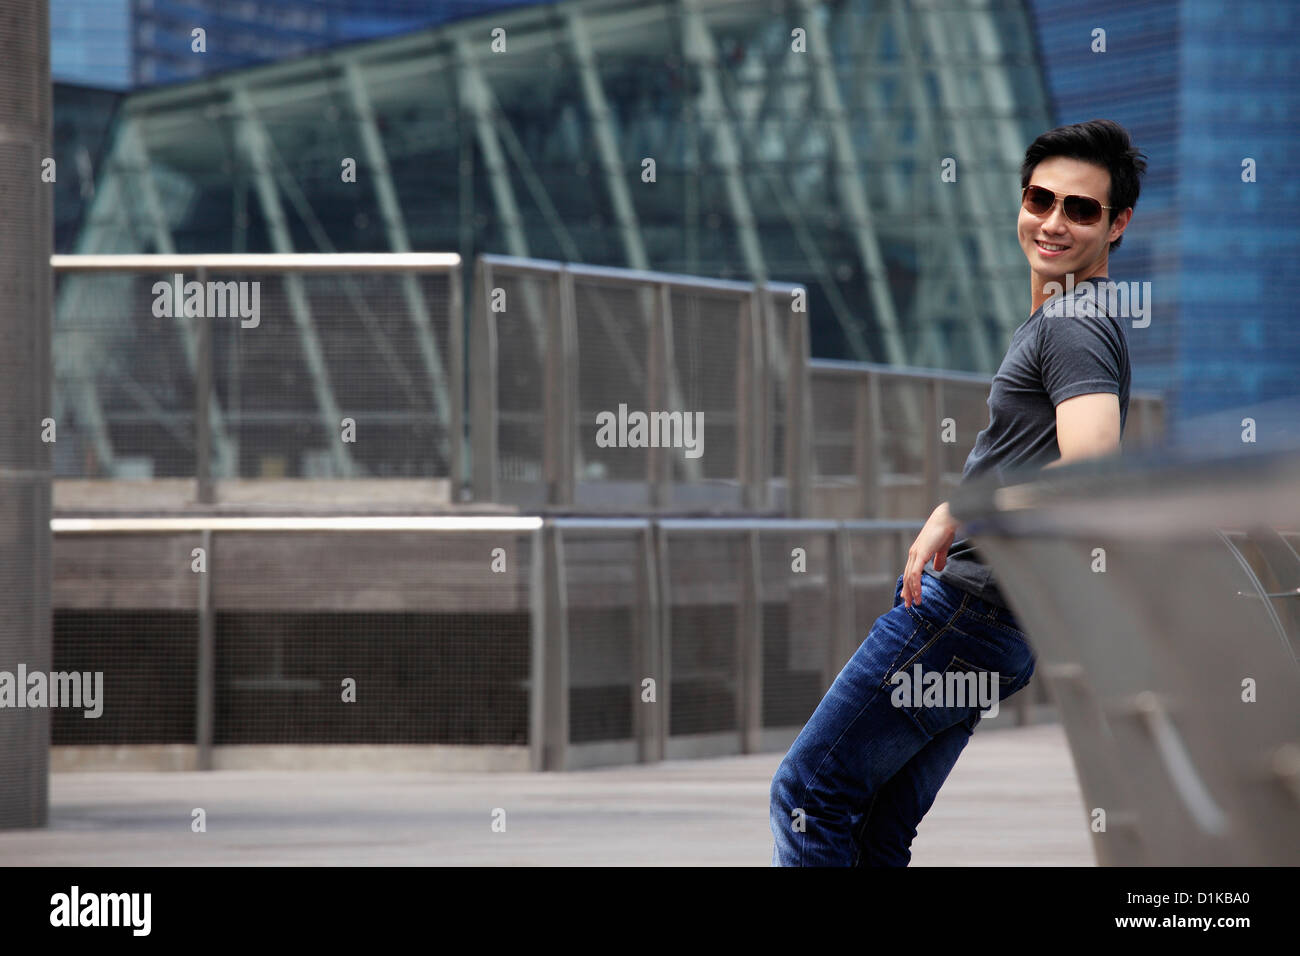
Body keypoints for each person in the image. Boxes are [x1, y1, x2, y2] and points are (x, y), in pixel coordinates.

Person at [770, 119, 1147, 866]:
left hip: (968, 611)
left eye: (1081, 209)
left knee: (810, 793)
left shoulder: (1074, 322)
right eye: (1041, 199)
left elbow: (1090, 464)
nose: (1053, 222)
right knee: (877, 823)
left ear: (1118, 224)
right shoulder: (1073, 315)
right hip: (1005, 621)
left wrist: (970, 511)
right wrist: (957, 504)